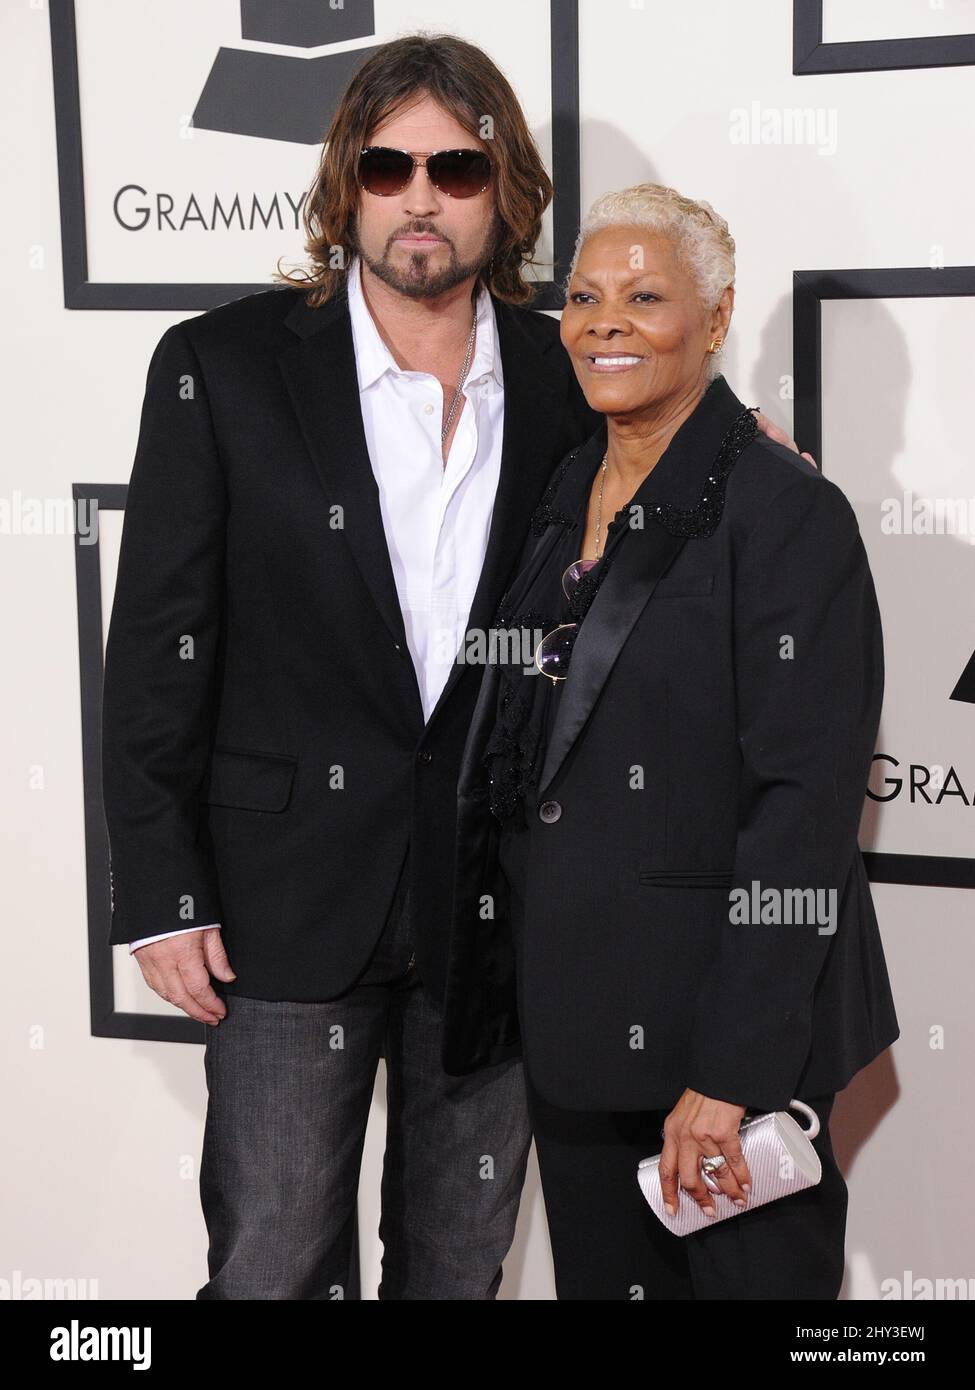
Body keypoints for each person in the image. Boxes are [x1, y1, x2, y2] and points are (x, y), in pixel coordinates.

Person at [101, 31, 804, 1299]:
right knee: (268, 1264)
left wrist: (748, 454)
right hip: (282, 904)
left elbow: (673, 448)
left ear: (505, 191)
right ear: (346, 186)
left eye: (457, 168)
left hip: (494, 908)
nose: (419, 195)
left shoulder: (566, 369)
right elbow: (156, 646)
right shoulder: (225, 367)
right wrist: (157, 887)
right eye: (386, 165)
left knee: (459, 1266)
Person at [444, 182, 900, 1300]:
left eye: (646, 296)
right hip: (577, 1032)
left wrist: (732, 1072)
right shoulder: (567, 486)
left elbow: (801, 813)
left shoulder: (786, 513)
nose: (605, 322)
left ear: (716, 313)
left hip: (720, 1041)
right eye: (585, 296)